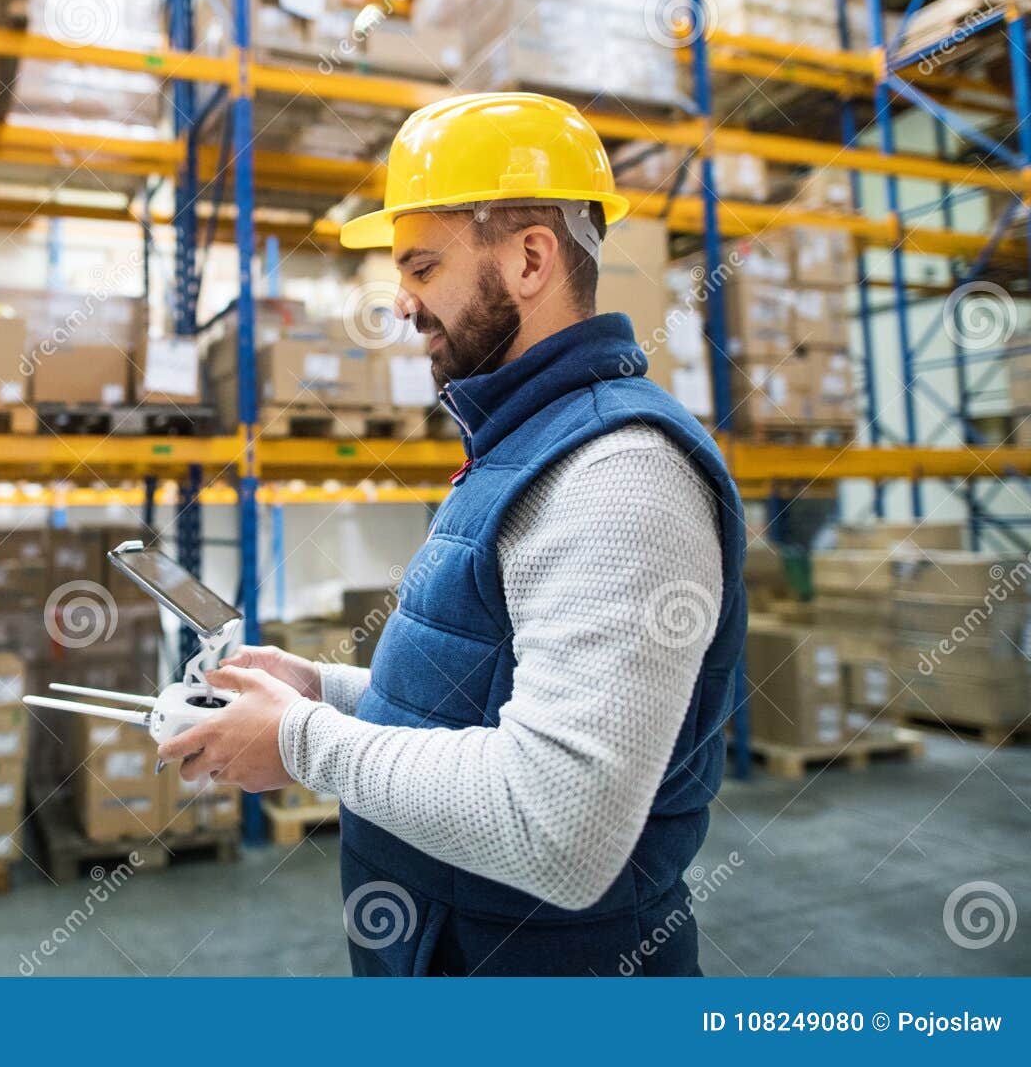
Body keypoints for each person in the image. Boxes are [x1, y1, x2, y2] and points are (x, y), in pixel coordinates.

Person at [156, 93, 747, 976]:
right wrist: (319, 689)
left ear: (531, 259)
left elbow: (560, 828)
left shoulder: (619, 475)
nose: (401, 302)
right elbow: (480, 702)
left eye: (424, 267)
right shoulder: (523, 446)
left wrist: (299, 740)